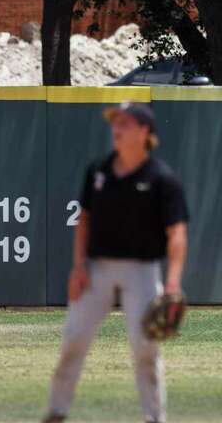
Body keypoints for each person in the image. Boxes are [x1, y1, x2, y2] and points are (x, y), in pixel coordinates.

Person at [43, 102, 189, 423]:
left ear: (144, 131)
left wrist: (173, 283)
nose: (116, 128)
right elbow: (84, 222)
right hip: (98, 269)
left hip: (142, 270)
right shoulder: (98, 172)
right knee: (73, 340)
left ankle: (155, 418)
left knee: (146, 349)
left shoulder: (162, 180)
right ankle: (56, 412)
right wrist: (79, 267)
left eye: (124, 123)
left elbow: (177, 234)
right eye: (115, 123)